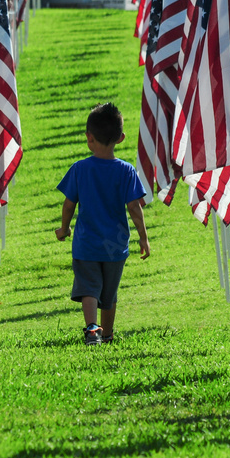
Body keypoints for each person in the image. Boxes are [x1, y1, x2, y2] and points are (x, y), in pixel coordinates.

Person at [55, 103, 150, 346]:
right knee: (109, 294)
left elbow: (68, 205)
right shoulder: (127, 171)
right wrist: (143, 237)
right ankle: (107, 334)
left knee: (89, 288)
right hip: (115, 245)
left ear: (89, 137)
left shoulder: (79, 169)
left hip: (86, 242)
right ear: (120, 138)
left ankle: (92, 329)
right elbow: (134, 208)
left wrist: (64, 229)